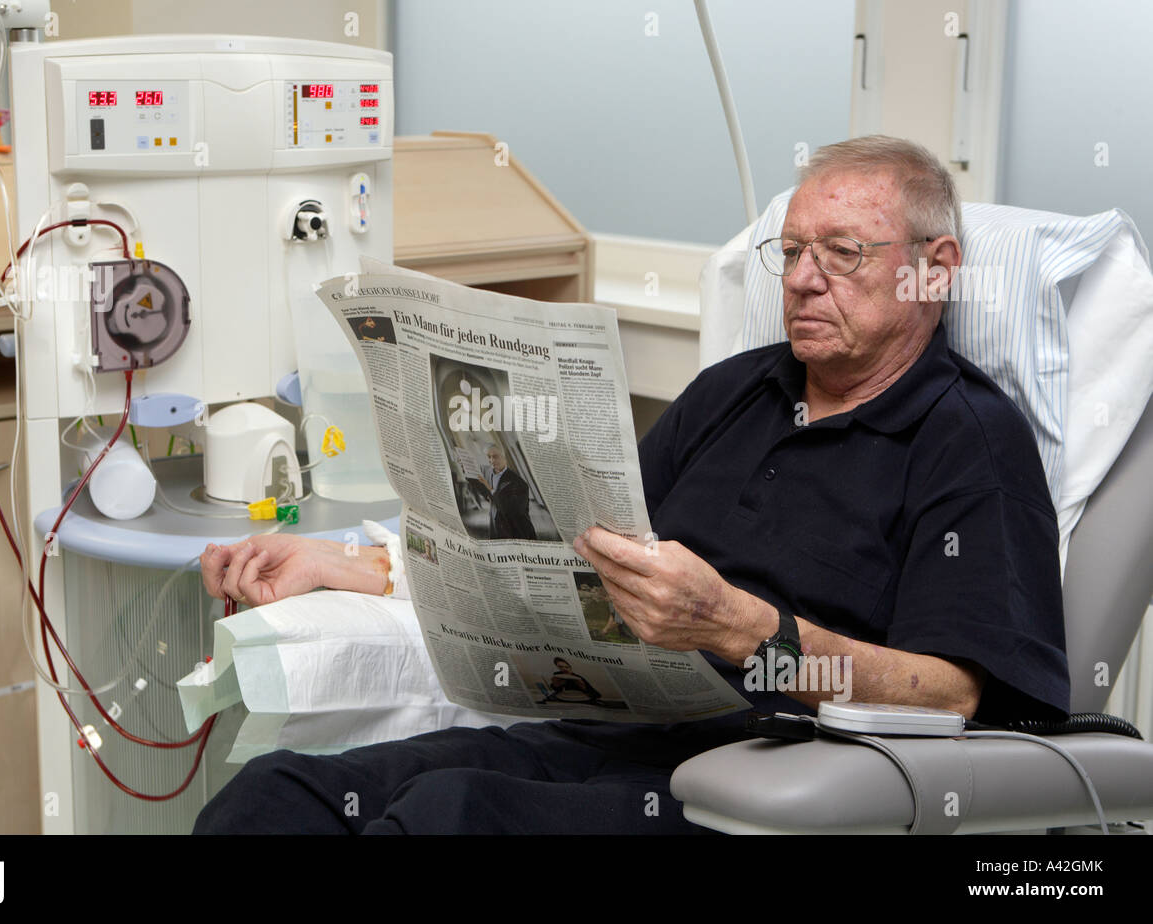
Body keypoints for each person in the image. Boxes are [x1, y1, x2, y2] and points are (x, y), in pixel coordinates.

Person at [193, 136, 1069, 834]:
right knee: (280, 798)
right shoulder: (739, 391)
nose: (803, 278)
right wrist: (349, 569)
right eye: (793, 249)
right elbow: (572, 549)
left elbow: (955, 694)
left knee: (447, 816)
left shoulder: (969, 440)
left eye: (842, 252)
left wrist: (742, 629)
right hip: (620, 728)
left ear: (937, 266)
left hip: (781, 778)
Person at [474, 444, 538, 540]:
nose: (492, 460)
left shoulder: (519, 483)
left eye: (495, 456)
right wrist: (466, 470)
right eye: (489, 457)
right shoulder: (489, 473)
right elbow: (486, 494)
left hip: (515, 531)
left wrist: (489, 488)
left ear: (505, 458)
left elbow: (510, 510)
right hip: (495, 526)